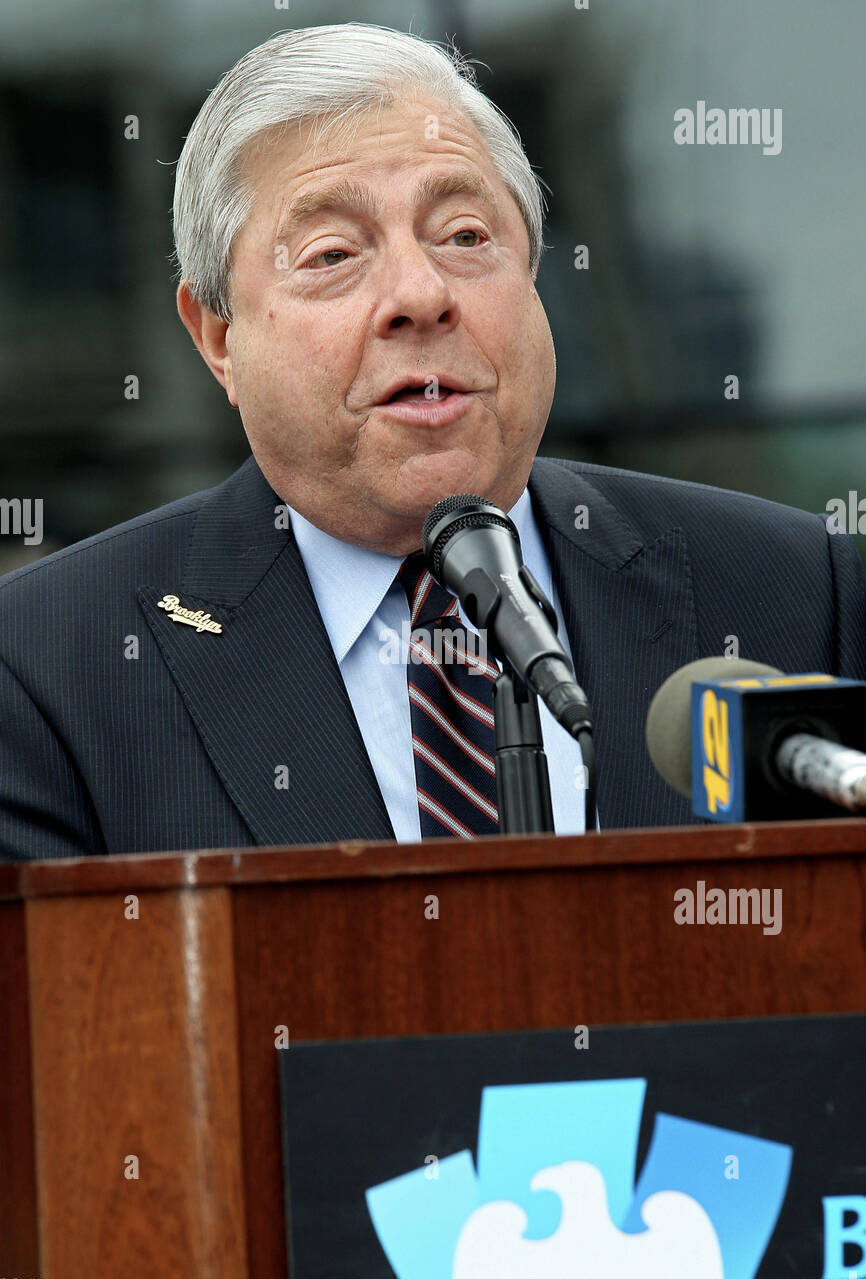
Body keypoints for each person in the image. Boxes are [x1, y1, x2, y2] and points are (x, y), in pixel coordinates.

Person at [1, 23, 864, 862]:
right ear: (218, 337)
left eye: (464, 236)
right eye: (334, 253)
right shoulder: (45, 670)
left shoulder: (800, 593)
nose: (421, 293)